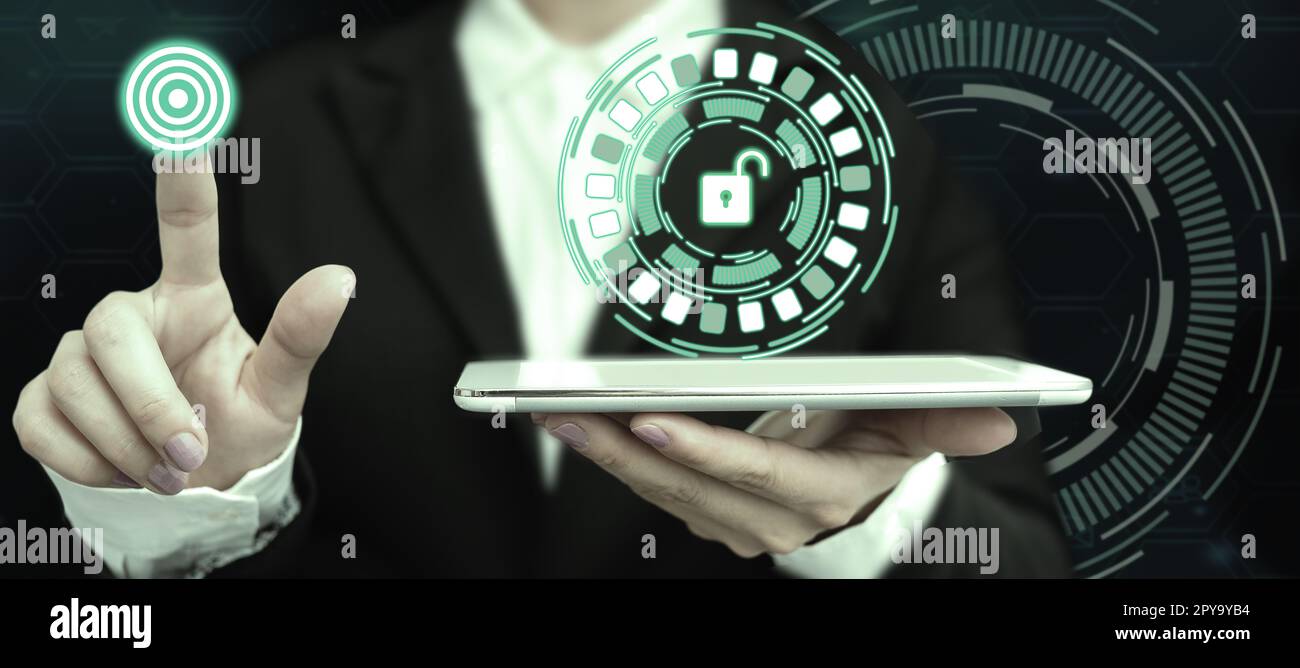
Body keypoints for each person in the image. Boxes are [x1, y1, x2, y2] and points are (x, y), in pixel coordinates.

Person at [10, 0, 1072, 577]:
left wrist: (865, 516)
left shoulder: (862, 126)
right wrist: (201, 508)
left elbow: (1018, 556)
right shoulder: (285, 119)